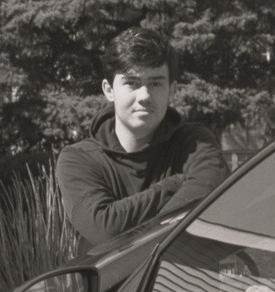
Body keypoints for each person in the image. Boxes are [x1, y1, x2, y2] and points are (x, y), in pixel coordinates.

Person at [56, 28, 229, 249]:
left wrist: (129, 227)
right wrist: (175, 184)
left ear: (172, 89)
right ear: (109, 90)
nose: (145, 96)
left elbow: (210, 195)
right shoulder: (79, 159)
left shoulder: (195, 142)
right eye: (132, 83)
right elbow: (103, 229)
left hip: (185, 282)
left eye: (156, 83)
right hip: (115, 285)